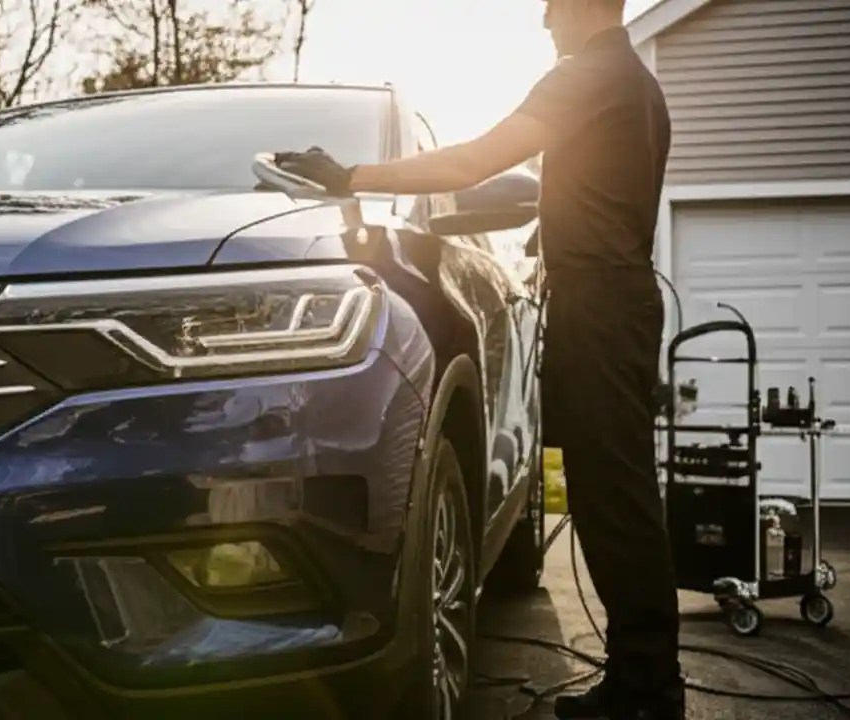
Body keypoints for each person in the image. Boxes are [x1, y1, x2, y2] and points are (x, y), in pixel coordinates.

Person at [272, 1, 684, 718]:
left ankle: (648, 691)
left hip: (602, 308)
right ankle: (640, 679)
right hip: (618, 297)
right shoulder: (634, 83)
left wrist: (350, 177)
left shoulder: (583, 74)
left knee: (614, 499)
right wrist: (558, 232)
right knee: (613, 493)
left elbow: (475, 159)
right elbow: (609, 188)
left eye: (553, 6)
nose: (545, 22)